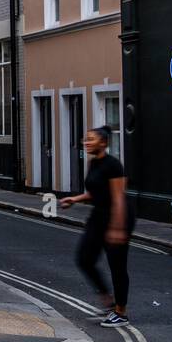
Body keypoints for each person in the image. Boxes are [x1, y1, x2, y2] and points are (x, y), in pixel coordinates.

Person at [60, 126, 135, 327]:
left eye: (91, 139)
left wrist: (117, 228)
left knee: (117, 265)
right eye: (86, 139)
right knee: (84, 258)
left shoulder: (114, 165)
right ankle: (107, 300)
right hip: (99, 215)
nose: (86, 142)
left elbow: (118, 198)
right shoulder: (93, 163)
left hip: (118, 216)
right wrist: (75, 199)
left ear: (103, 143)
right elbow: (96, 191)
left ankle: (121, 312)